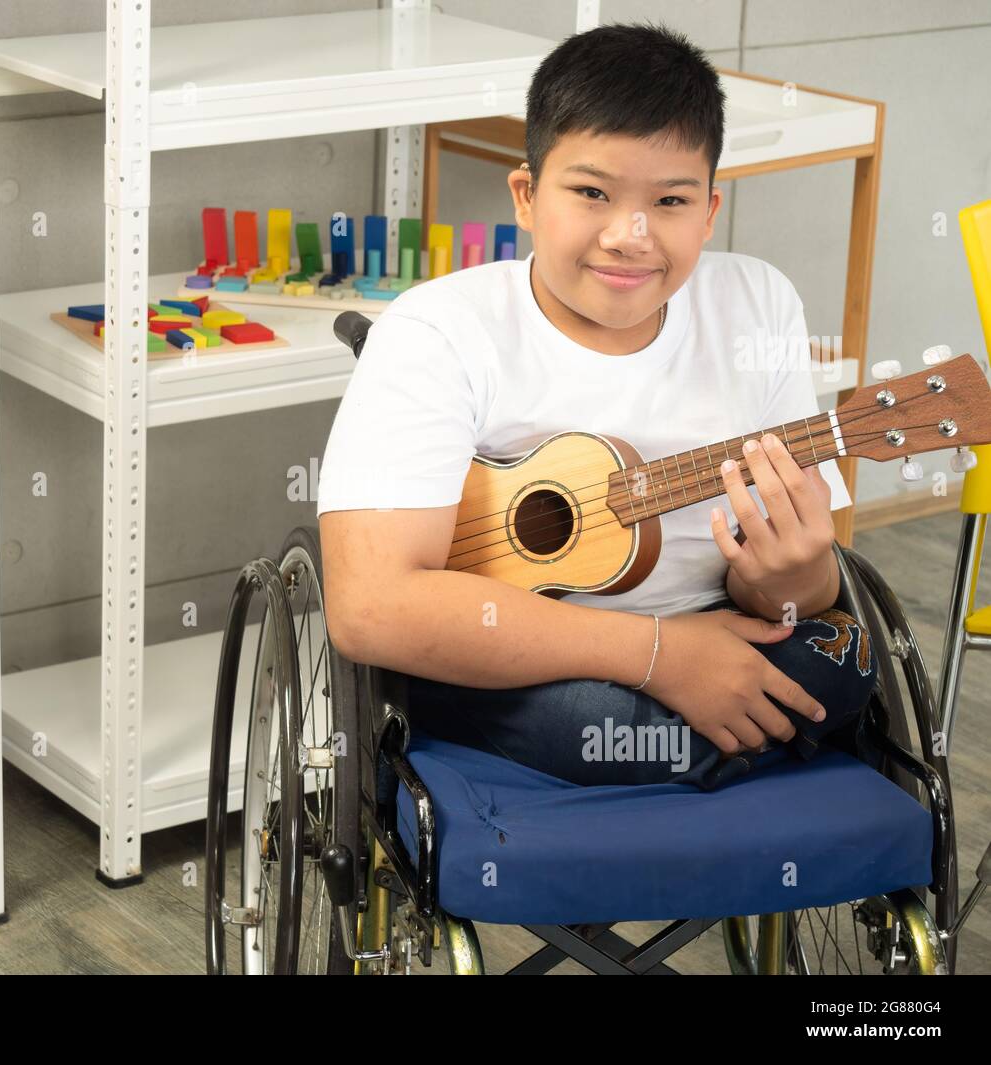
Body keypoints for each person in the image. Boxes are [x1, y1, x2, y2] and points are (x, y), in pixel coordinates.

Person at [315, 21, 876, 790]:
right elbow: (370, 608)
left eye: (670, 200)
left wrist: (795, 574)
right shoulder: (439, 327)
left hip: (719, 629)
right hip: (532, 666)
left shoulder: (756, 303)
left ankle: (711, 741)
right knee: (594, 722)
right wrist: (661, 656)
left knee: (844, 664)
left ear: (709, 213)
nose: (629, 235)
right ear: (527, 196)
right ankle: (730, 749)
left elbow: (795, 603)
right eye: (591, 193)